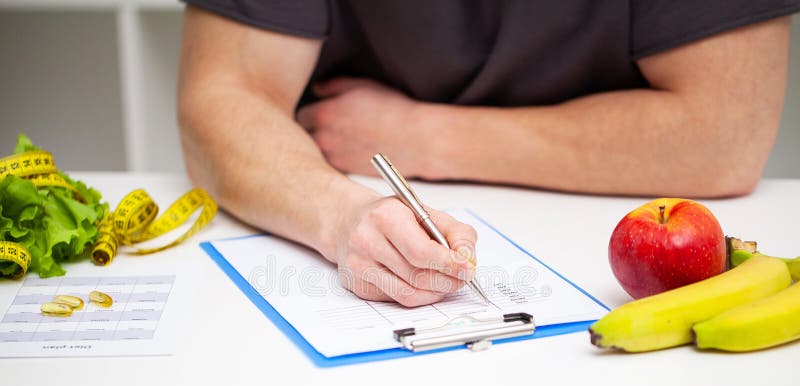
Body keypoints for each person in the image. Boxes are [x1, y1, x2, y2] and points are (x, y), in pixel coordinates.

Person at [177, 1, 799, 306]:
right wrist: (340, 216)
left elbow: (726, 133)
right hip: (342, 188)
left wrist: (428, 137)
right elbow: (224, 95)